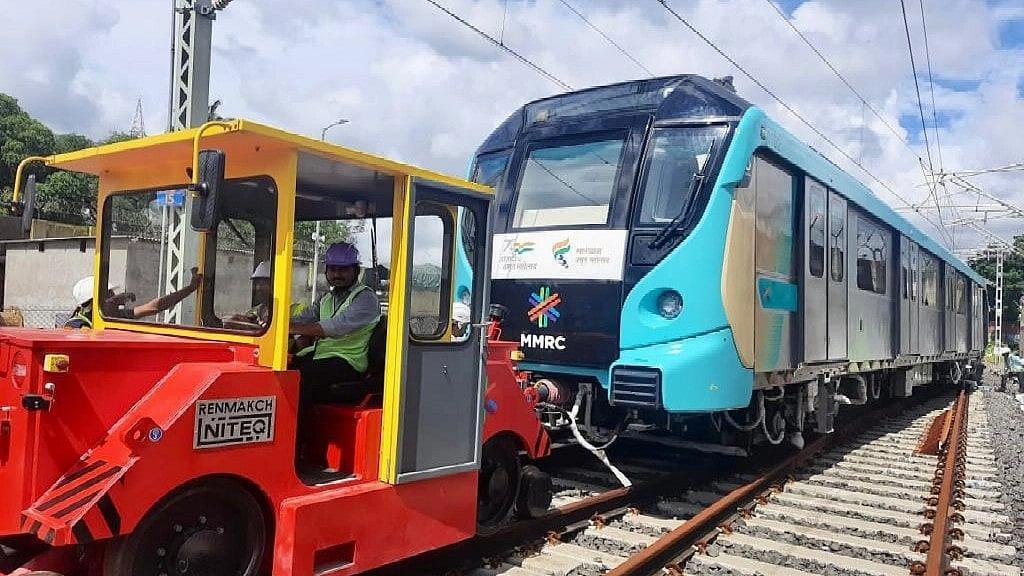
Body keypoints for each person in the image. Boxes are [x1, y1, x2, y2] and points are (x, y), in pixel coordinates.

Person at [290, 242, 380, 400]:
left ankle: (300, 424)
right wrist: (270, 322)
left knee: (301, 380)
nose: (337, 274)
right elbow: (302, 318)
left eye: (343, 269)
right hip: (321, 356)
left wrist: (292, 328)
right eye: (333, 269)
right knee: (281, 369)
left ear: (356, 271)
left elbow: (337, 326)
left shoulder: (366, 298)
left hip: (349, 361)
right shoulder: (325, 298)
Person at [65, 268, 203, 329]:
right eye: (110, 296)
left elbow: (154, 307)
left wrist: (190, 288)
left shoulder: (114, 316)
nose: (114, 298)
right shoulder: (76, 326)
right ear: (94, 304)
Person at [224, 260, 272, 329]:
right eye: (257, 283)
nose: (258, 288)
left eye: (263, 284)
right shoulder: (256, 310)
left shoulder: (288, 311)